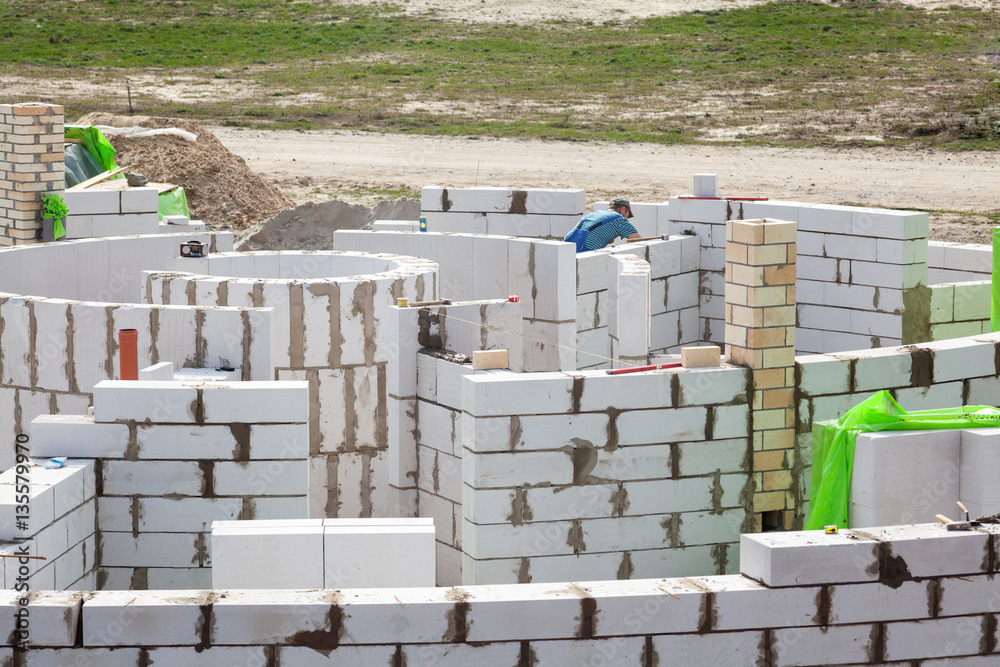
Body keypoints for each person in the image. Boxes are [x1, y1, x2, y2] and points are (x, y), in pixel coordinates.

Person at [563, 197, 643, 252]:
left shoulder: (593, 213)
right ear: (622, 210)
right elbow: (638, 241)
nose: (626, 218)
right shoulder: (619, 220)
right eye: (627, 215)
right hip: (586, 249)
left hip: (566, 246)